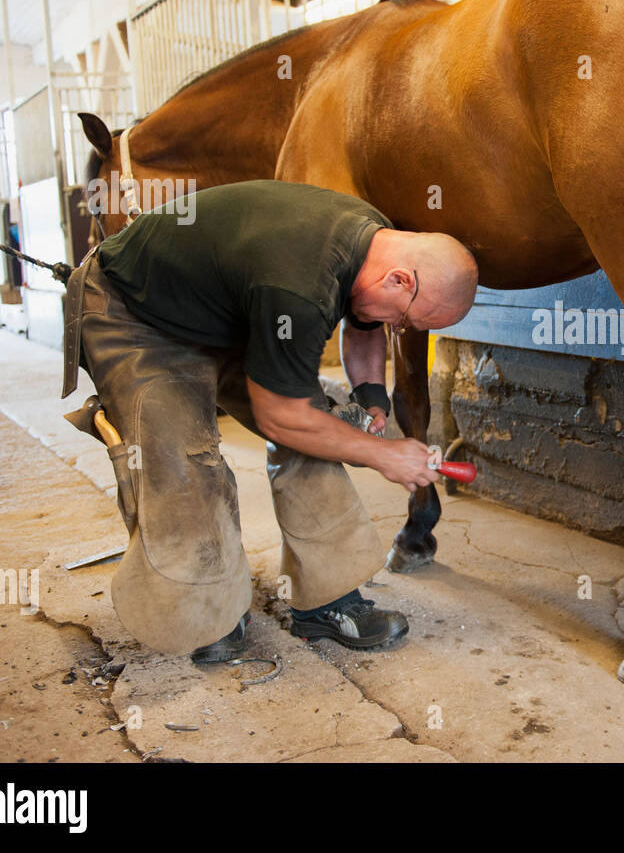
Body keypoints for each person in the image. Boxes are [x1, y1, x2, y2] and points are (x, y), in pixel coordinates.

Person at [62, 180, 478, 662]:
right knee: (184, 462)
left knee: (325, 431)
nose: (399, 329)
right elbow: (281, 417)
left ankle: (327, 600)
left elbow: (365, 324)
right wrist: (385, 456)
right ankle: (208, 610)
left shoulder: (376, 244)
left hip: (234, 311)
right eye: (405, 321)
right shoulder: (300, 281)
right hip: (136, 314)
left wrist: (370, 399)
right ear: (401, 279)